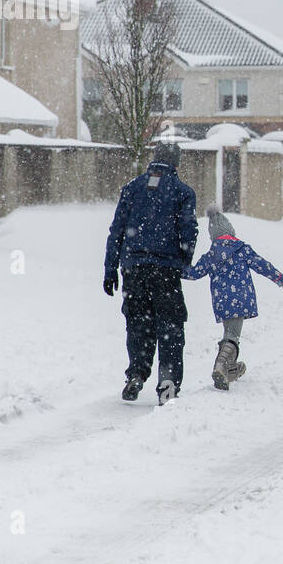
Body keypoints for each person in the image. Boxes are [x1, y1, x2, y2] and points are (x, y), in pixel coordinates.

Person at [103, 142, 198, 405]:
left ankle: (136, 373)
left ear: (154, 159)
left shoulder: (132, 188)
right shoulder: (182, 192)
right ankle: (167, 380)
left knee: (138, 324)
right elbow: (188, 231)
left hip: (133, 269)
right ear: (176, 163)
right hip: (165, 270)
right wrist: (183, 261)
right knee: (170, 325)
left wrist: (111, 268)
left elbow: (117, 231)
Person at [182, 205, 283, 390]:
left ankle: (229, 368)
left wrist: (172, 269)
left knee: (229, 333)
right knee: (233, 335)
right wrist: (277, 276)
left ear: (213, 236)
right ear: (231, 231)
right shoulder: (242, 249)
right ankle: (222, 365)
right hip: (241, 298)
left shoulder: (211, 255)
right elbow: (261, 265)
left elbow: (194, 273)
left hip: (222, 301)